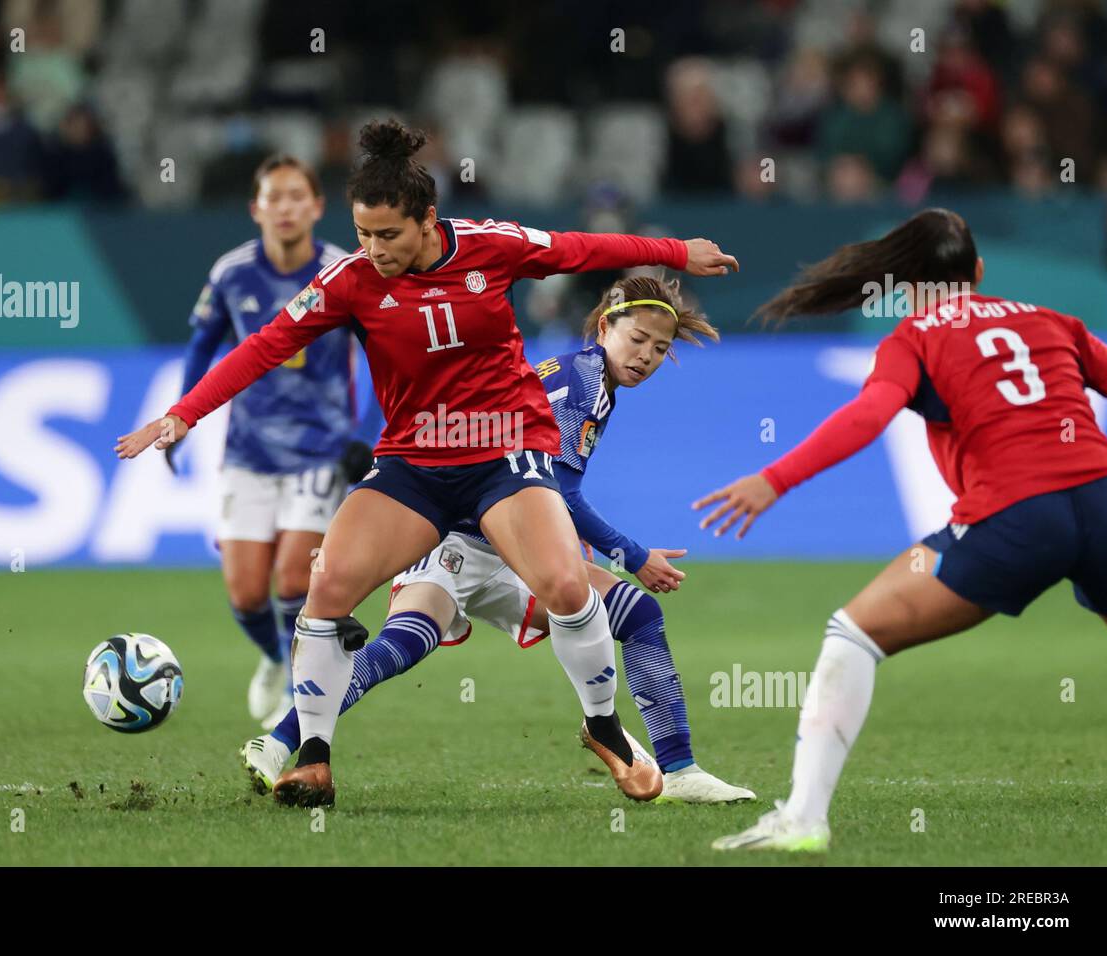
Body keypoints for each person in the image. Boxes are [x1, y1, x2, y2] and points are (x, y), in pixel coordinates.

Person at [117, 118, 739, 809]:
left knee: (567, 585)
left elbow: (580, 248)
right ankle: (314, 759)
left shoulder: (492, 247)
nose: (373, 251)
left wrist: (676, 251)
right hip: (415, 463)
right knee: (327, 588)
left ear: (427, 221)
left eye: (388, 235)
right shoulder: (350, 281)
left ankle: (604, 727)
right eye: (362, 235)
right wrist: (184, 414)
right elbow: (263, 345)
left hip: (504, 450)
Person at [692, 208, 1107, 851]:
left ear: (906, 283)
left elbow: (868, 417)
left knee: (853, 634)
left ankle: (803, 819)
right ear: (978, 271)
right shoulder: (1052, 320)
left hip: (1017, 516)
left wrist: (774, 479)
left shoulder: (915, 337)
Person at [240, 274, 756, 805]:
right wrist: (634, 555)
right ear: (604, 326)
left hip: (505, 549)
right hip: (458, 536)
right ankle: (280, 744)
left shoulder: (588, 380)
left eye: (660, 348)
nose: (646, 355)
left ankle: (679, 769)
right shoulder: (580, 385)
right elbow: (559, 494)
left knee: (634, 616)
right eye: (637, 339)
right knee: (403, 644)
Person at [171, 153, 377, 728]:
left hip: (322, 450)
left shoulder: (346, 272)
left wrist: (365, 437)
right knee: (244, 595)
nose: (284, 208)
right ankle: (272, 656)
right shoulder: (232, 273)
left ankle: (296, 688)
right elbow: (201, 348)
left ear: (316, 206)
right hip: (249, 452)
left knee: (293, 578)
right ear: (255, 208)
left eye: (296, 197)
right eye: (273, 197)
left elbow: (388, 359)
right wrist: (180, 419)